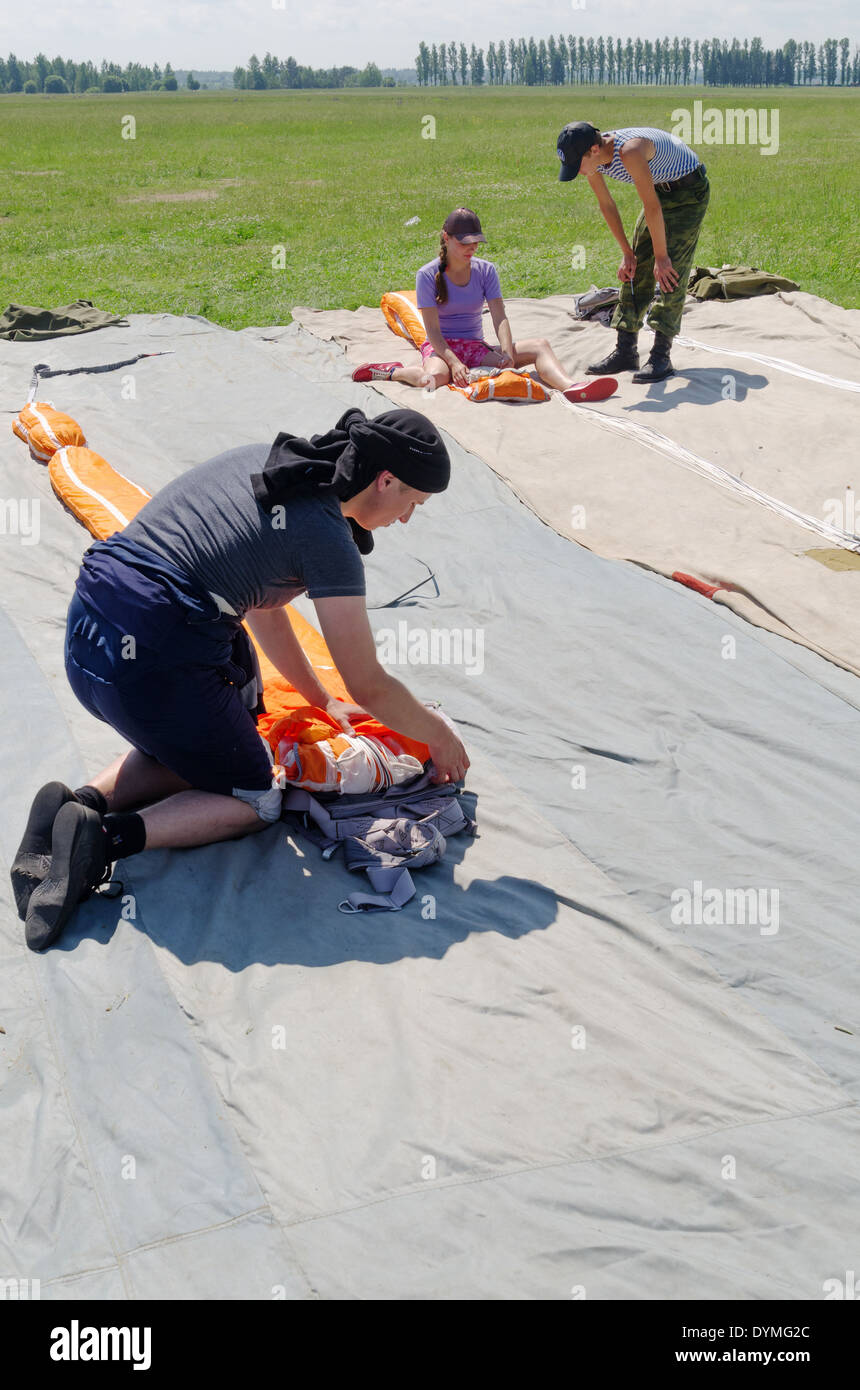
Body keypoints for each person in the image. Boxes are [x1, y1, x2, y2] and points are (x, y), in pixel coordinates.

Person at [11, 407, 469, 953]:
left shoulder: (274, 462)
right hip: (152, 658)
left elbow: (263, 609)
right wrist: (438, 735)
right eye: (412, 503)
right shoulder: (326, 536)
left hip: (90, 633)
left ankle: (80, 801)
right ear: (385, 479)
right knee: (257, 798)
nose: (407, 519)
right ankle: (102, 838)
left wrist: (321, 699)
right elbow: (369, 682)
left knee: (222, 727)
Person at [353, 207, 615, 404]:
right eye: (464, 242)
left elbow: (499, 317)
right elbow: (432, 331)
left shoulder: (486, 270)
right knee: (430, 381)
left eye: (476, 241)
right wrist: (454, 364)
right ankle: (393, 371)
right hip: (442, 347)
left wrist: (506, 352)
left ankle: (570, 387)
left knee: (539, 346)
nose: (472, 247)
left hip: (475, 346)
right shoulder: (427, 275)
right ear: (446, 237)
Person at [557, 122, 710, 383]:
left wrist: (661, 257)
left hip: (688, 192)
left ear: (594, 149)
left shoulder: (630, 151)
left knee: (669, 271)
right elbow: (606, 204)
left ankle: (661, 356)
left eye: (577, 164)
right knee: (635, 268)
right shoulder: (593, 160)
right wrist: (627, 252)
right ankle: (626, 350)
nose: (578, 172)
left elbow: (651, 207)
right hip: (660, 190)